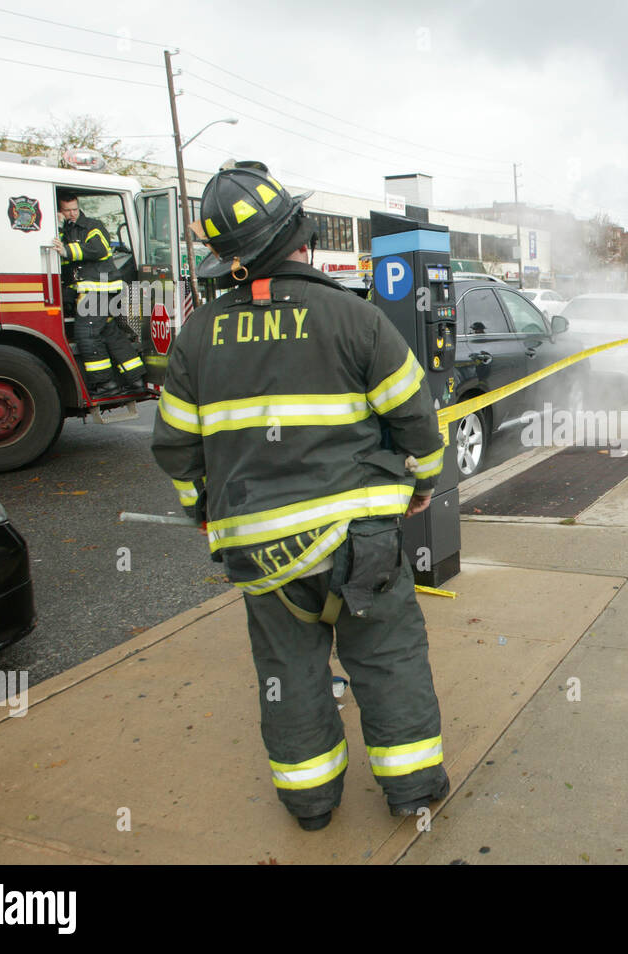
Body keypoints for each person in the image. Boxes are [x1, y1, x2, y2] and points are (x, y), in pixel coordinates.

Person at [151, 161, 450, 831]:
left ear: (227, 260)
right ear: (301, 234)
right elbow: (415, 417)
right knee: (386, 658)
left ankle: (311, 803)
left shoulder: (199, 336)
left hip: (261, 552)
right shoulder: (355, 318)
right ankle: (413, 793)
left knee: (289, 669)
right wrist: (424, 482)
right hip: (360, 543)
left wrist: (200, 508)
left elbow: (173, 446)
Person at [54, 194, 144, 398]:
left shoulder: (92, 225)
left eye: (74, 209)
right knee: (108, 332)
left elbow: (99, 249)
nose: (72, 214)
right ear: (60, 211)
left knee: (88, 334)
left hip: (101, 289)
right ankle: (135, 379)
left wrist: (67, 250)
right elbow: (62, 259)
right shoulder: (66, 230)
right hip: (91, 291)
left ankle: (105, 384)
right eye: (67, 211)